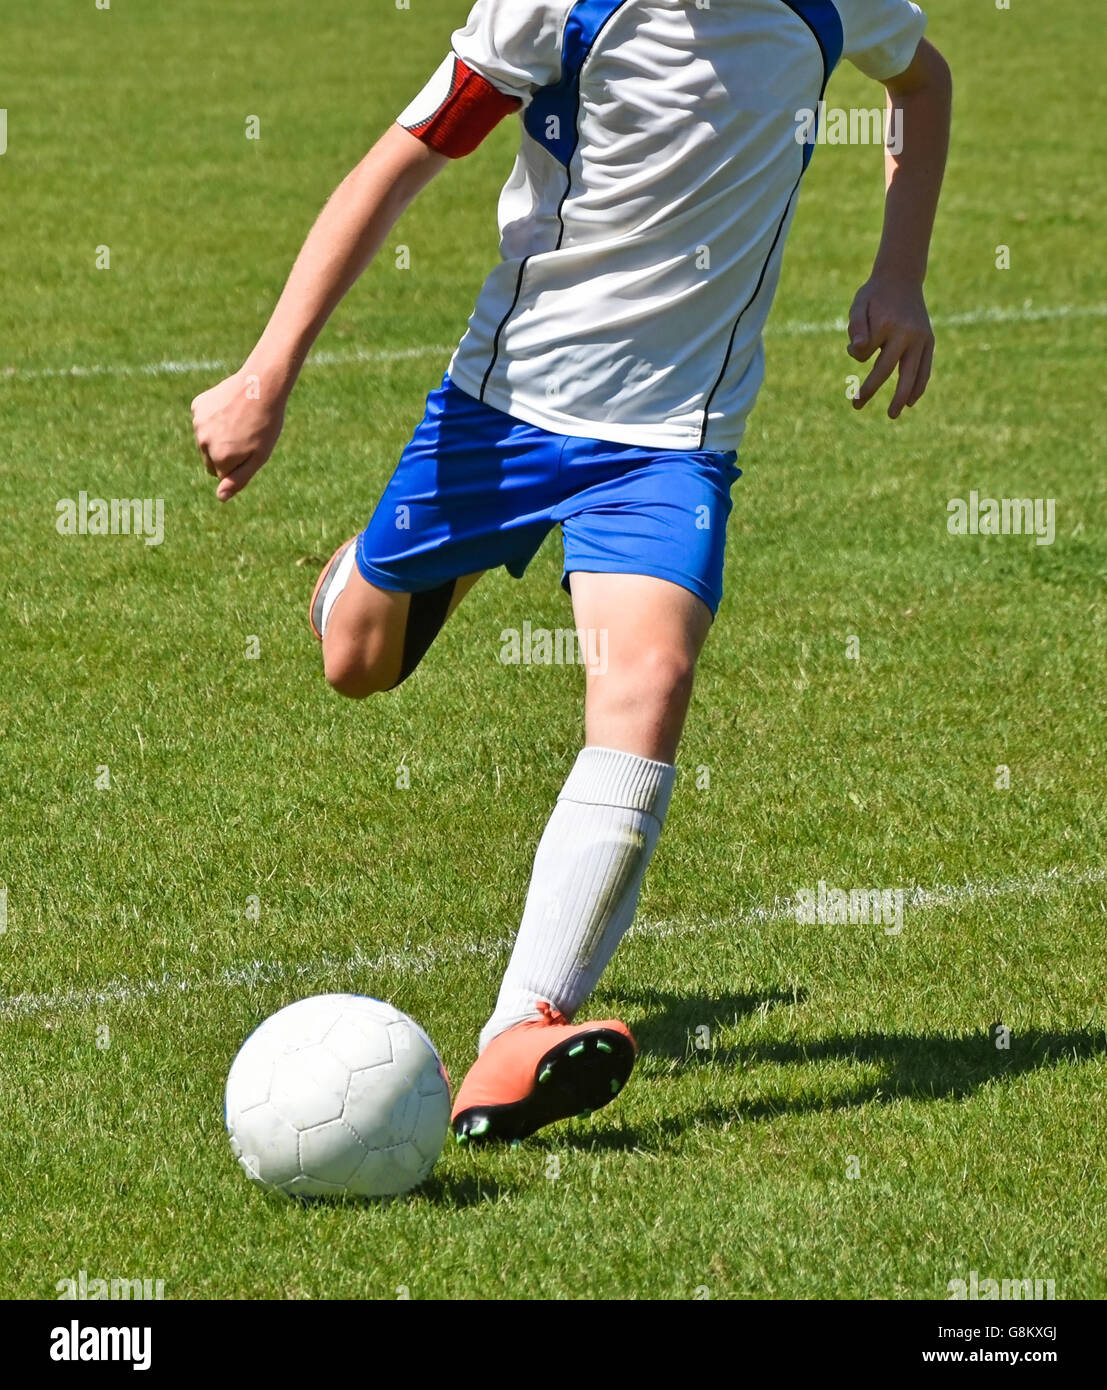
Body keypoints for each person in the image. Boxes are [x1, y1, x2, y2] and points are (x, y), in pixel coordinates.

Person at [191, 0, 951, 1145]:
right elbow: (402, 160)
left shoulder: (832, 8)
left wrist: (901, 274)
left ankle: (522, 1028)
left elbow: (922, 84)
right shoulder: (558, 6)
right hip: (501, 412)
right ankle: (363, 575)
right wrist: (268, 372)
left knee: (649, 680)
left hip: (670, 444)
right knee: (354, 663)